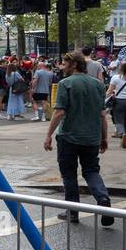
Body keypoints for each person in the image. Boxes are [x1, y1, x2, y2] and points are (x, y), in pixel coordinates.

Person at [44, 51, 114, 224]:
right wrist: (104, 137)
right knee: (91, 171)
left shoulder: (65, 83)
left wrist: (48, 135)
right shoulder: (98, 85)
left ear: (74, 64)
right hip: (91, 136)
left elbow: (59, 112)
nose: (62, 66)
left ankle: (73, 212)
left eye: (64, 63)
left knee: (69, 175)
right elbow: (102, 115)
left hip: (68, 137)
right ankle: (103, 199)